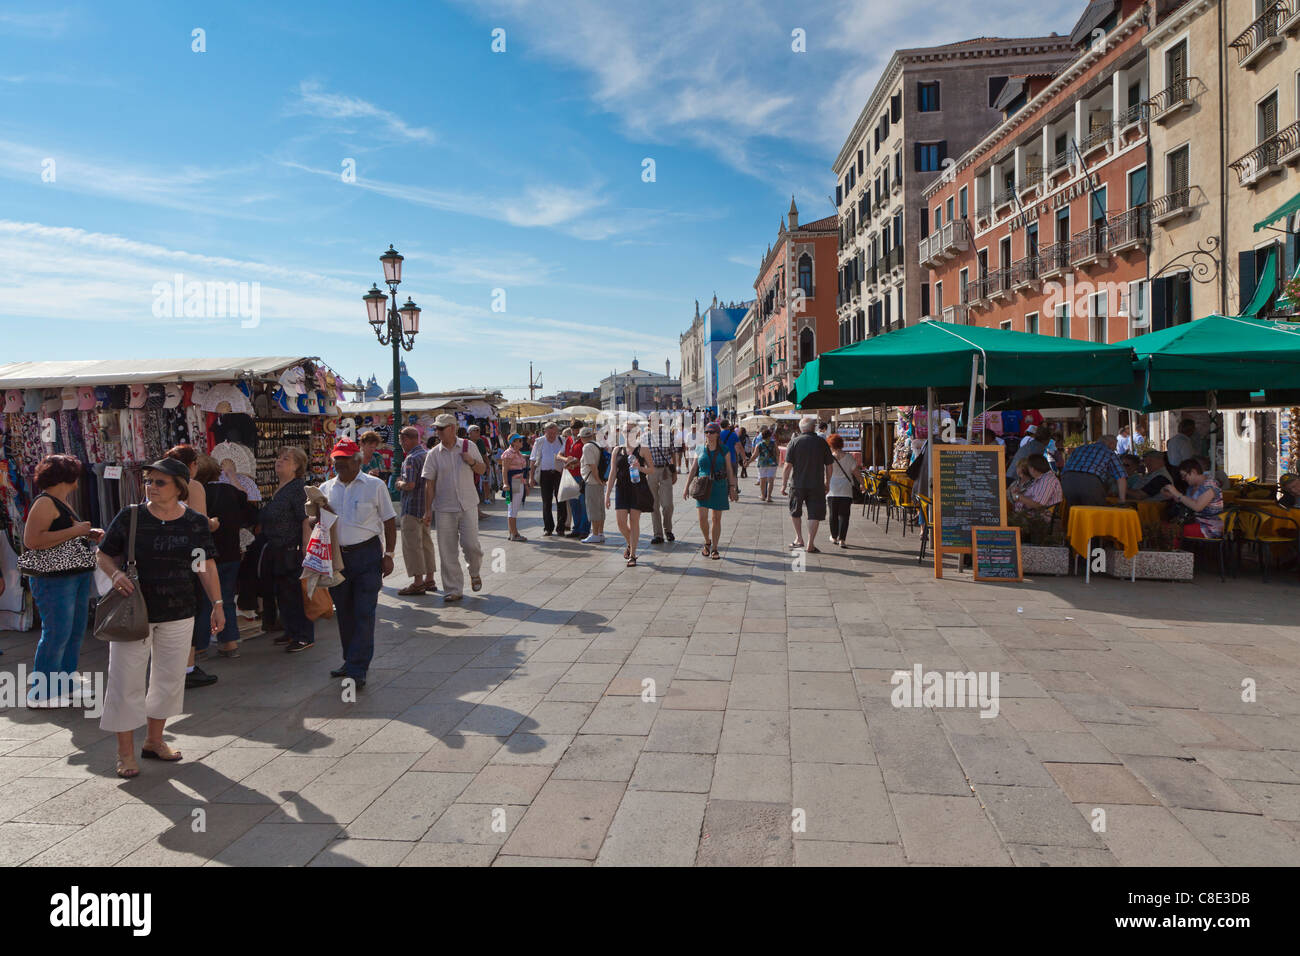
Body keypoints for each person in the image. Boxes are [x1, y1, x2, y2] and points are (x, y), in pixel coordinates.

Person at [96, 457, 222, 779]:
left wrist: (218, 604)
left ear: (179, 487)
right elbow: (104, 553)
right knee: (126, 680)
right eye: (149, 481)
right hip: (133, 611)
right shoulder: (131, 516)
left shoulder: (194, 522)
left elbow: (203, 565)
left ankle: (154, 741)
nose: (151, 486)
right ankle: (124, 752)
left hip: (180, 610)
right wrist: (114, 574)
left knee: (168, 679)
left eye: (159, 482)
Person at [22, 454, 102, 707]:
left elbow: (55, 535)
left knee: (73, 631)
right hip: (54, 578)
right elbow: (32, 541)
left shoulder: (59, 501)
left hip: (70, 574)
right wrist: (76, 531)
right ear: (69, 476)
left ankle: (64, 683)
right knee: (57, 632)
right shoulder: (46, 503)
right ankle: (41, 692)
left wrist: (85, 533)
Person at [318, 438, 397, 686]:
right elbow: (321, 523)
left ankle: (357, 668)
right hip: (338, 557)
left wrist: (390, 555)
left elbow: (389, 521)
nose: (339, 467)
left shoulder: (374, 486)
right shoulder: (326, 488)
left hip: (366, 555)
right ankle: (350, 659)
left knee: (364, 611)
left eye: (344, 462)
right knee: (344, 612)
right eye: (336, 462)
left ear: (357, 461)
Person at [164, 445, 219, 688]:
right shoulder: (193, 486)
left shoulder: (159, 485)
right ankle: (187, 667)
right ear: (192, 465)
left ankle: (174, 667)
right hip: (192, 555)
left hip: (165, 555)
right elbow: (200, 524)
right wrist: (214, 523)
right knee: (192, 609)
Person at [193, 454, 255, 659]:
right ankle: (228, 643)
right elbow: (249, 512)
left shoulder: (194, 493)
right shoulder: (230, 491)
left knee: (202, 600)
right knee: (225, 599)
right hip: (230, 552)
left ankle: (199, 645)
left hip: (203, 554)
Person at [421, 413, 486, 602]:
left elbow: (482, 469)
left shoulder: (468, 446)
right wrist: (427, 510)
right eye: (436, 429)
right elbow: (429, 483)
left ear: (452, 428)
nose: (438, 432)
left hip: (467, 504)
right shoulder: (433, 454)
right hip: (444, 507)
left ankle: (474, 572)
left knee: (471, 545)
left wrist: (471, 461)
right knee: (447, 549)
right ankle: (453, 589)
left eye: (441, 428)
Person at [257, 447, 313, 652]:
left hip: (292, 548)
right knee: (283, 593)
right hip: (277, 548)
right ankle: (291, 631)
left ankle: (304, 635)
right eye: (279, 457)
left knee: (295, 594)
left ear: (297, 466)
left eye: (285, 459)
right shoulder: (281, 488)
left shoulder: (297, 488)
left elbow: (305, 518)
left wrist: (306, 548)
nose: (279, 461)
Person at [394, 426, 437, 595]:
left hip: (411, 507)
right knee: (427, 544)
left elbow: (410, 485)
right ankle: (430, 579)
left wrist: (398, 484)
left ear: (406, 439)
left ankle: (418, 582)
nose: (401, 445)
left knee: (412, 545)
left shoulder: (411, 458)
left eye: (401, 441)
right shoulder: (427, 455)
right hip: (425, 507)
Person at [781, 415, 834, 552]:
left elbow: (787, 466)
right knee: (814, 513)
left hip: (797, 484)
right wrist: (827, 482)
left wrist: (783, 484)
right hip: (816, 484)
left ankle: (799, 538)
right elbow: (829, 466)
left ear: (801, 429)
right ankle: (810, 543)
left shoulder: (794, 442)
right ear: (813, 427)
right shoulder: (822, 443)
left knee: (795, 511)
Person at [685, 422, 737, 559]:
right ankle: (707, 540)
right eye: (707, 432)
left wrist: (732, 487)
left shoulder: (724, 449)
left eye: (712, 432)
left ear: (717, 434)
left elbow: (729, 469)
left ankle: (714, 548)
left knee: (716, 518)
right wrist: (686, 487)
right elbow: (693, 469)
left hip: (719, 486)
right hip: (703, 486)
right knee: (702, 518)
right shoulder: (700, 448)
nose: (709, 434)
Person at [607, 422, 654, 567]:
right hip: (621, 488)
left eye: (630, 431)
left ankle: (633, 555)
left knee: (634, 521)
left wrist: (640, 468)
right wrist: (607, 494)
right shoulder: (617, 450)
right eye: (625, 431)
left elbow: (651, 470)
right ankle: (630, 542)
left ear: (637, 433)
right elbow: (613, 472)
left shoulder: (643, 449)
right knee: (621, 523)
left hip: (637, 488)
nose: (627, 433)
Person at [1162, 459, 1224, 538]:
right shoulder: (1192, 487)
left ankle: (1174, 549)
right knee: (1164, 527)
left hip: (1209, 527)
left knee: (1174, 530)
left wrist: (1178, 494)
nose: (1183, 479)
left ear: (1194, 472)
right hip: (1193, 522)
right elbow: (1188, 502)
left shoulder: (1210, 485)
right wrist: (1173, 495)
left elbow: (1197, 507)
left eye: (1184, 476)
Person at [1060, 434, 1126, 507]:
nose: (1115, 449)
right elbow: (1121, 477)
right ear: (1111, 444)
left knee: (1076, 512)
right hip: (1089, 481)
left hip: (1067, 480)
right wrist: (1122, 500)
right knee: (1094, 512)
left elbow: (1067, 467)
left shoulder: (1079, 448)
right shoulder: (1109, 453)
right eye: (1115, 446)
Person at [644, 413, 679, 544]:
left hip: (665, 470)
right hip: (651, 471)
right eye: (649, 420)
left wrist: (674, 472)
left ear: (658, 421)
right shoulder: (643, 437)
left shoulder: (667, 435)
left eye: (653, 420)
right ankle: (658, 534)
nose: (651, 422)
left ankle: (668, 529)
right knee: (653, 504)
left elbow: (672, 453)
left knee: (667, 504)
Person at [529, 421, 568, 536]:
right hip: (544, 474)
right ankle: (548, 527)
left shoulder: (562, 440)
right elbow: (532, 460)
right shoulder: (539, 442)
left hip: (558, 473)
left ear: (557, 432)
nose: (551, 436)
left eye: (554, 433)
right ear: (544, 432)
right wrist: (531, 478)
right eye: (549, 433)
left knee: (561, 500)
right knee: (546, 501)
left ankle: (561, 527)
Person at [826, 434, 862, 548]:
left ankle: (834, 536)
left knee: (833, 514)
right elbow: (856, 473)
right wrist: (863, 484)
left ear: (831, 445)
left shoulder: (829, 458)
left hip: (833, 489)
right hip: (846, 489)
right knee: (845, 515)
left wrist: (824, 485)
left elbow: (827, 474)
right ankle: (842, 539)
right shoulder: (849, 457)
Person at [557, 428, 590, 540]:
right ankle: (576, 528)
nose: (574, 432)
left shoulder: (585, 442)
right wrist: (567, 459)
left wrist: (575, 463)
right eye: (573, 429)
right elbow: (558, 455)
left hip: (581, 475)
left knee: (583, 503)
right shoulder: (568, 440)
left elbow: (588, 461)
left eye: (576, 429)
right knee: (573, 503)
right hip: (570, 475)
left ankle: (584, 529)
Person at [579, 426, 608, 544]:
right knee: (600, 508)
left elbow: (592, 466)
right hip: (599, 481)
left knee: (593, 508)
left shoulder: (587, 447)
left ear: (581, 437)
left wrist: (597, 479)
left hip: (592, 481)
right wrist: (601, 480)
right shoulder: (597, 445)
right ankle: (600, 533)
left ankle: (595, 534)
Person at [500, 433, 531, 542]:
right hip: (513, 482)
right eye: (519, 441)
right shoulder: (508, 453)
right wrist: (505, 483)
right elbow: (504, 469)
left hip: (518, 481)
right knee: (513, 507)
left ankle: (512, 532)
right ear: (513, 442)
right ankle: (514, 533)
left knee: (513, 507)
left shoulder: (518, 453)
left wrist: (526, 484)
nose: (521, 442)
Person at [467, 424, 491, 520]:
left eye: (478, 430)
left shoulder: (480, 441)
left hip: (477, 468)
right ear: (470, 433)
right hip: (468, 470)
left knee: (476, 489)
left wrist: (488, 466)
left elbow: (484, 455)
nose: (478, 432)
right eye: (475, 431)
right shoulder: (465, 443)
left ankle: (478, 511)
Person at [753, 428, 779, 502]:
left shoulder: (759, 444)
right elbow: (777, 453)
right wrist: (777, 461)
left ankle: (763, 496)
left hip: (762, 464)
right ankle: (769, 497)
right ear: (770, 436)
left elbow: (755, 455)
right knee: (771, 481)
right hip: (772, 463)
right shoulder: (773, 443)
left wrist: (748, 462)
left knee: (762, 480)